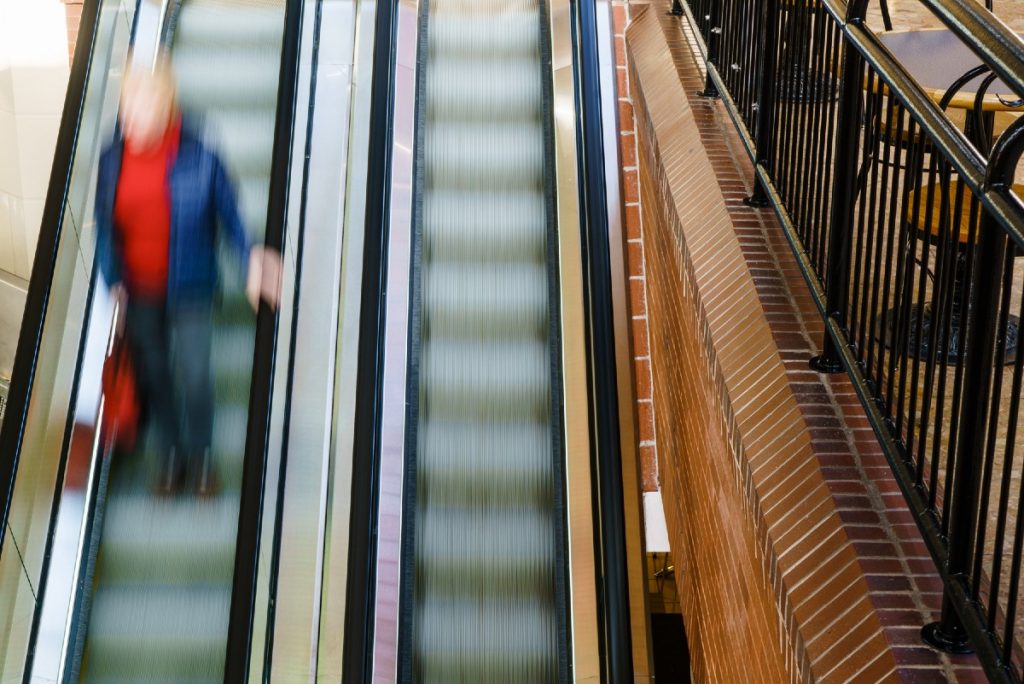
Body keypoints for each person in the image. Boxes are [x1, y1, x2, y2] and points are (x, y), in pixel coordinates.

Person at [95, 57, 280, 497]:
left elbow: (230, 213)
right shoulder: (111, 157)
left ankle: (201, 460)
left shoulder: (200, 153)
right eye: (127, 106)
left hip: (191, 284)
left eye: (141, 106)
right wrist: (112, 276)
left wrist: (251, 257)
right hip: (139, 290)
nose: (130, 117)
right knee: (157, 375)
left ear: (166, 106)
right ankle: (171, 457)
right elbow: (104, 225)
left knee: (195, 375)